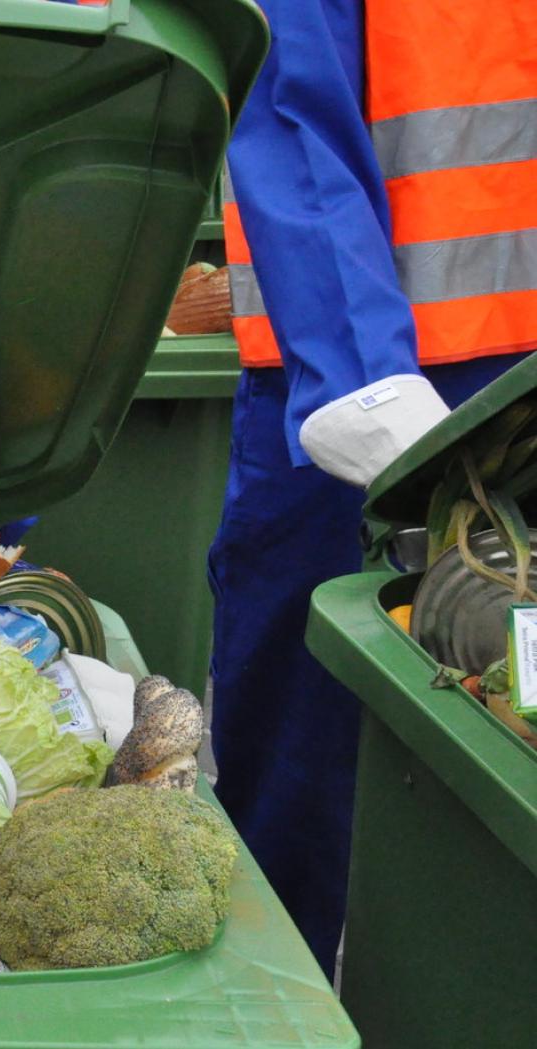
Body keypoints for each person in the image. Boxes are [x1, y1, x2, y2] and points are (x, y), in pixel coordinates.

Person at [212, 0, 535, 975]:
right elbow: (288, 94)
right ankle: (278, 1010)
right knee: (300, 780)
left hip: (448, 372)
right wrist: (361, 375)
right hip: (383, 381)